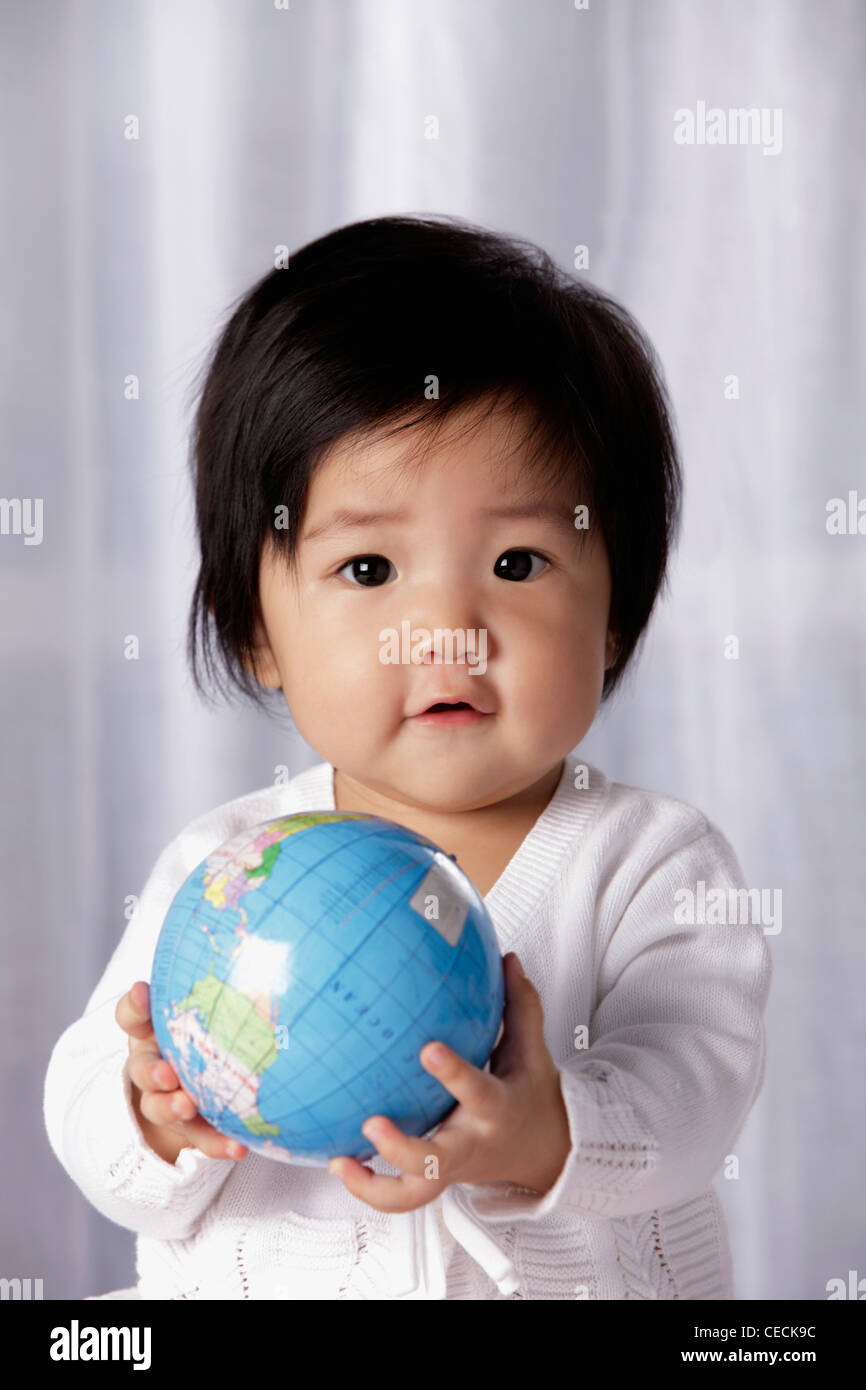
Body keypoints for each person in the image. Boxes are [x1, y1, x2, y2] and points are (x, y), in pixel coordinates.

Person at [43, 213, 771, 1299]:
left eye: (517, 560)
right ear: (256, 627)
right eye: (370, 568)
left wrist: (547, 1133)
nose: (445, 629)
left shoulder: (650, 862)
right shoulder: (229, 870)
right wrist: (149, 1114)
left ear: (612, 614)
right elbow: (84, 1102)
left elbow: (696, 1087)